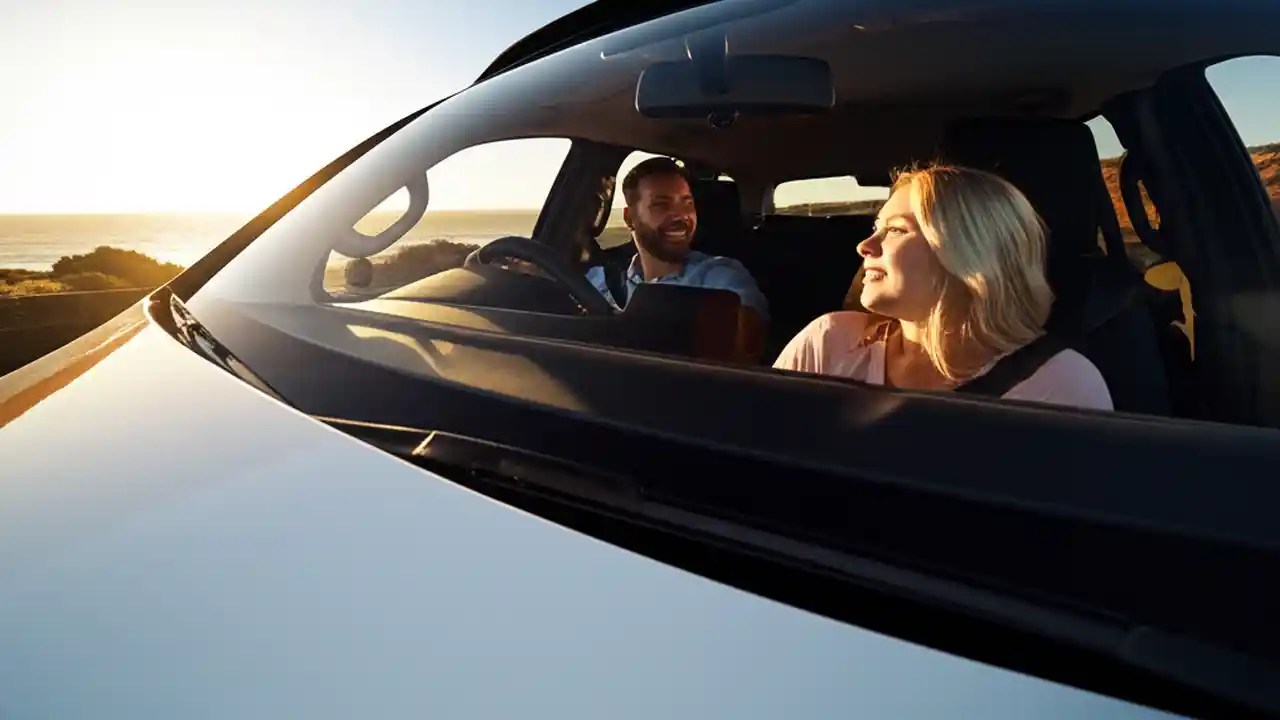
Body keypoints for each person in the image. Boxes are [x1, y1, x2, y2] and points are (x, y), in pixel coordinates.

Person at [774, 164, 1112, 410]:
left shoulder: (1062, 384)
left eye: (896, 230)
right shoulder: (828, 343)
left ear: (968, 251)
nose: (865, 245)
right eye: (876, 226)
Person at [588, 157, 769, 359]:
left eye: (687, 203)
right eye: (661, 204)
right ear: (630, 218)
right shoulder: (600, 279)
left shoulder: (720, 277)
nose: (680, 216)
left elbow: (746, 348)